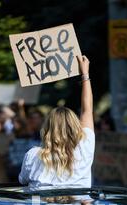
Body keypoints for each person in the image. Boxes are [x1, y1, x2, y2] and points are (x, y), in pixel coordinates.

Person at [18, 55, 94, 189]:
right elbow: (87, 110)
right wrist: (85, 74)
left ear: (47, 129)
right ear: (75, 126)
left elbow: (22, 180)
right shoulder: (85, 148)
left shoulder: (33, 155)